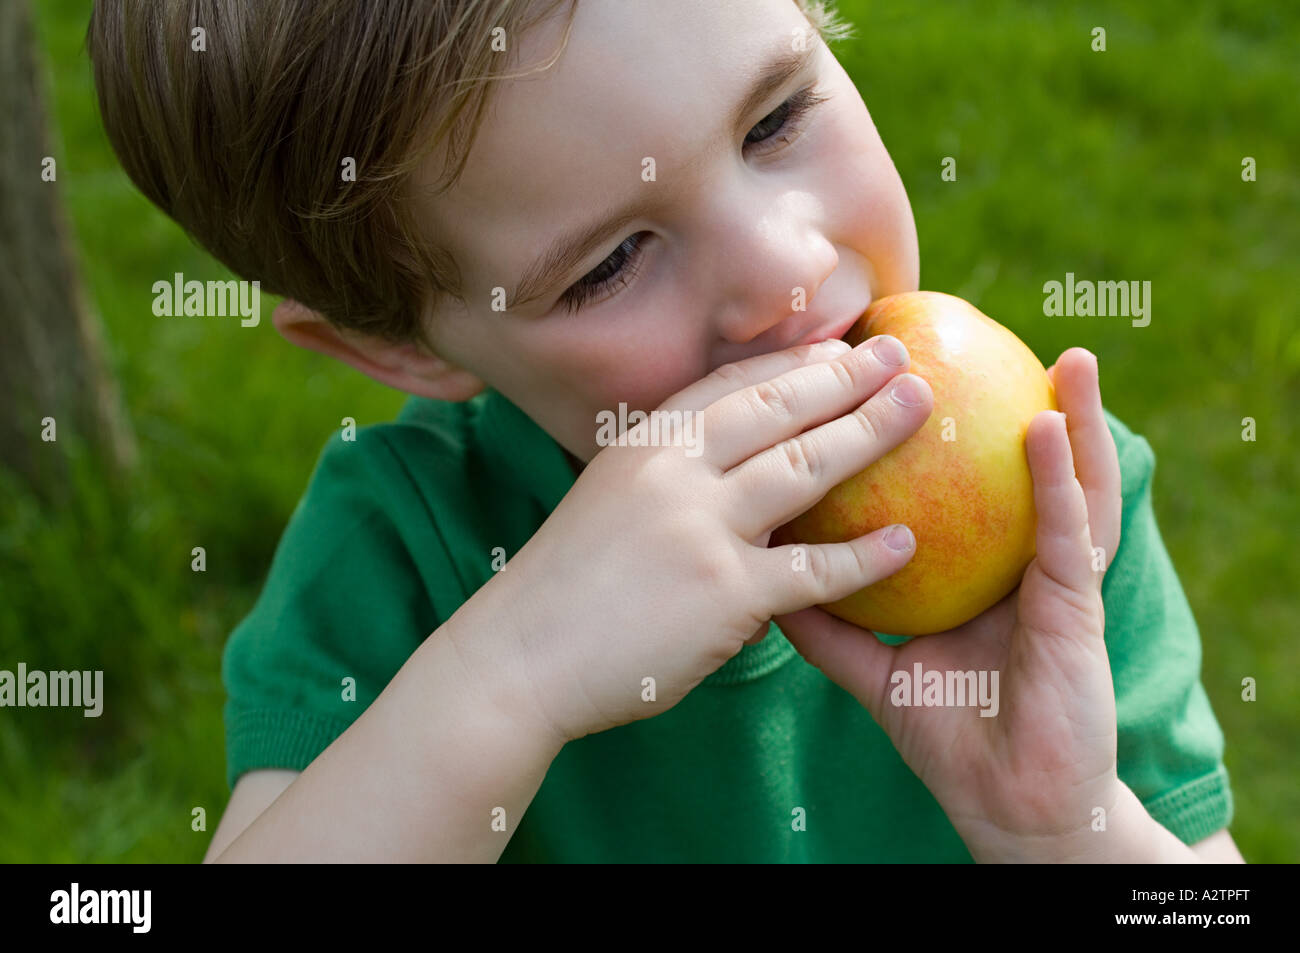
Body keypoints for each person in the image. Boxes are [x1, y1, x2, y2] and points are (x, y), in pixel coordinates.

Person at [87, 0, 1242, 862]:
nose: (785, 268)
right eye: (608, 264)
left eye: (778, 117)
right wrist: (519, 669)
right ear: (411, 348)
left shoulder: (1054, 511)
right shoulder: (405, 550)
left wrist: (1064, 826)